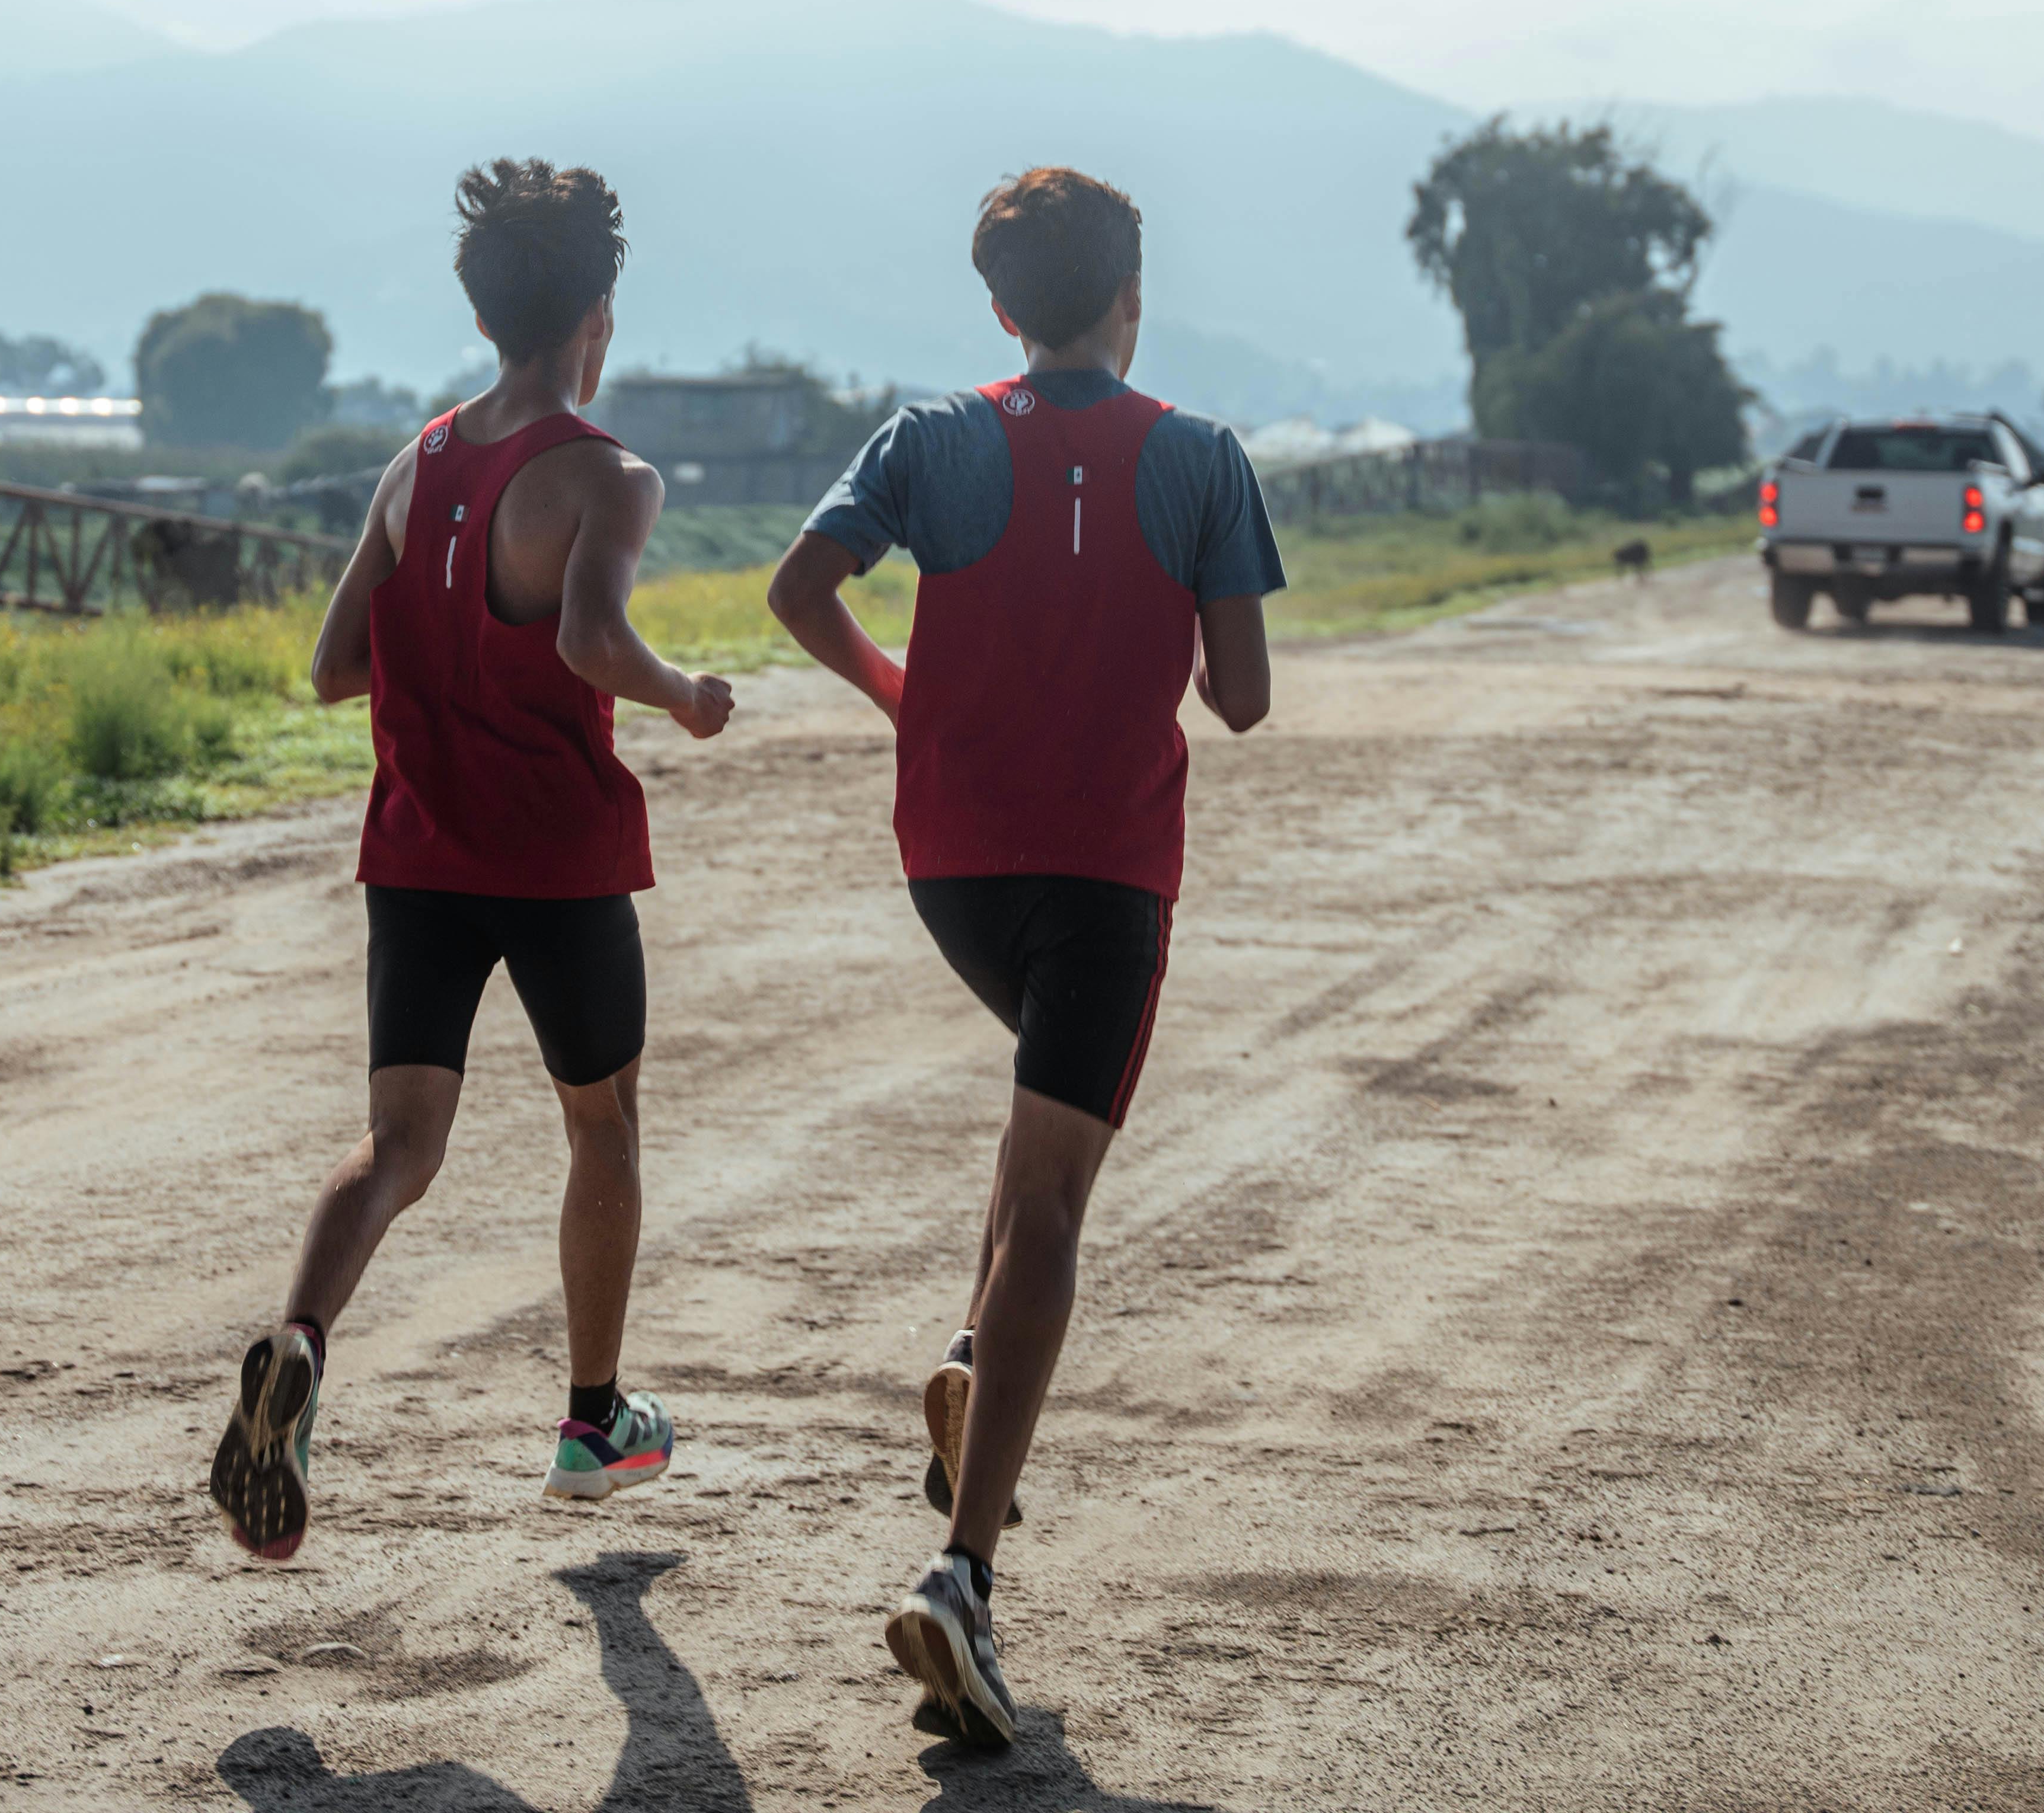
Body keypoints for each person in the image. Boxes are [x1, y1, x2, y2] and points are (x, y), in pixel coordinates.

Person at [765, 165, 1280, 1748]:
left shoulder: (927, 440)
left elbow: (799, 590)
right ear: (1138, 296)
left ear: (999, 309)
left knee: (1035, 1118)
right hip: (1109, 874)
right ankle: (962, 1578)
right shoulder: (1199, 456)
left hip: (955, 869)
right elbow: (1244, 700)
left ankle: (976, 1354)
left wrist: (898, 688)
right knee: (1054, 1190)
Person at [209, 158, 735, 1564]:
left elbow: (331, 667)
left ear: (484, 305)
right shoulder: (607, 476)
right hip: (559, 862)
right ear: (598, 316)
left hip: (420, 859)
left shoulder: (417, 461)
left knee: (396, 1147)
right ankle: (593, 1418)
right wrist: (681, 690)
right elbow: (586, 638)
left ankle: (299, 1339)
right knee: (603, 1121)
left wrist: (437, 634)